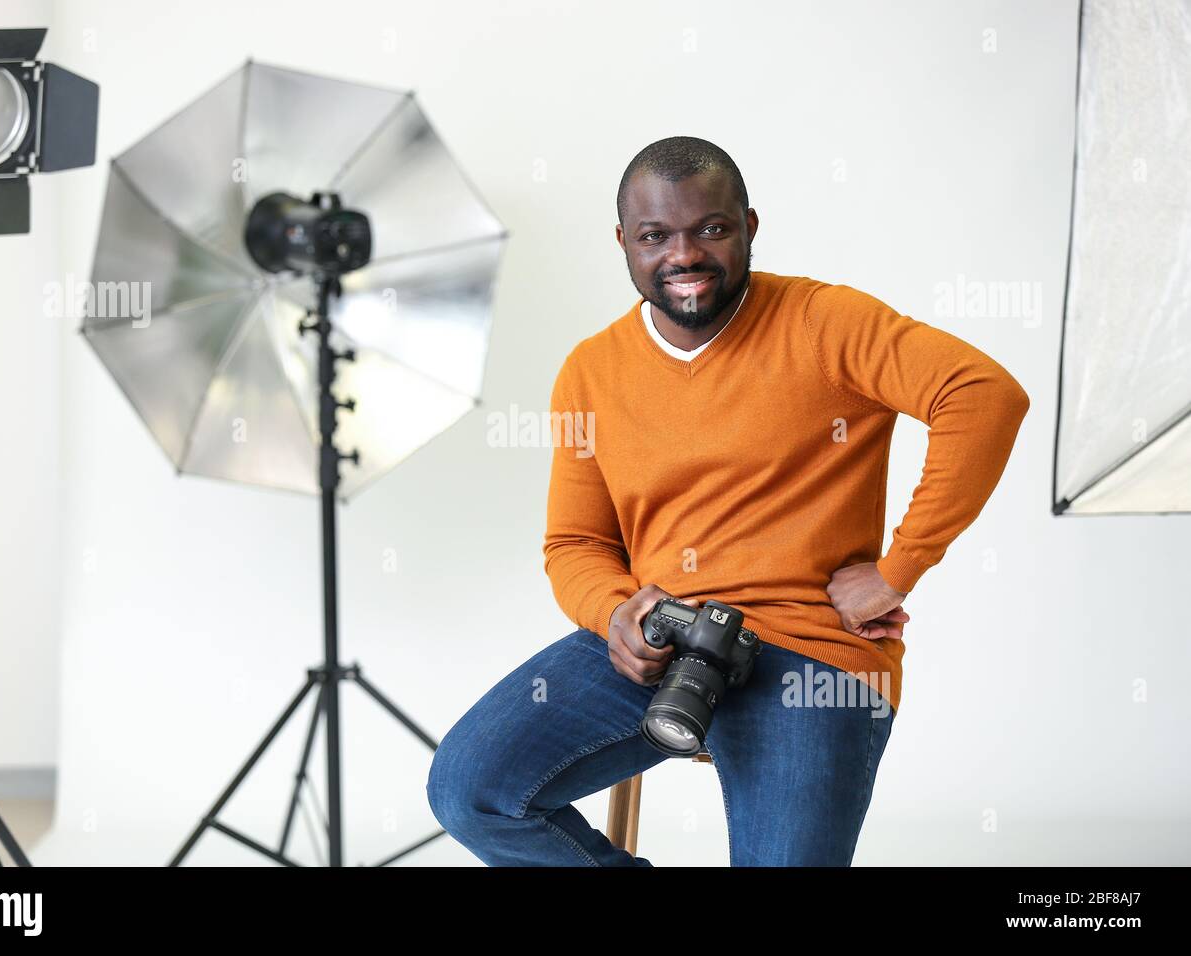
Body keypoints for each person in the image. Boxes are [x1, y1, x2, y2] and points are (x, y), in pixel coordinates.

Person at [426, 136, 1030, 866]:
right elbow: (575, 545)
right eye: (655, 235)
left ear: (748, 225)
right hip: (659, 639)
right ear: (624, 241)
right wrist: (617, 613)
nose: (683, 255)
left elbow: (982, 396)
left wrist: (898, 569)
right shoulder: (591, 370)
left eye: (710, 228)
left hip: (810, 651)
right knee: (471, 791)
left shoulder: (823, 322)